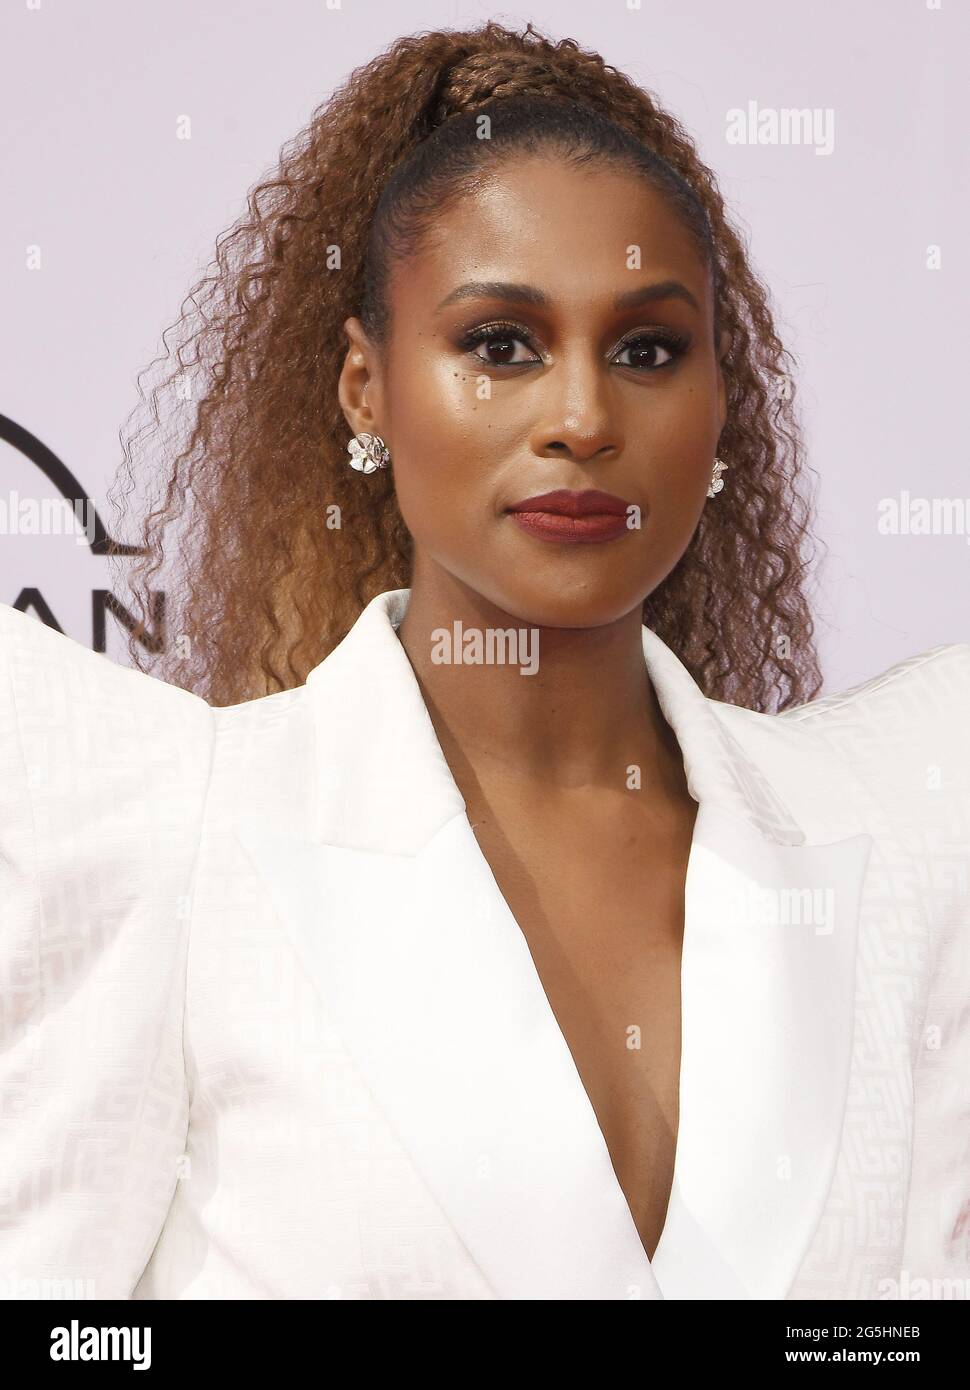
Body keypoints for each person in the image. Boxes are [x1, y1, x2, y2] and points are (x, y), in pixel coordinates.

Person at [1, 20, 967, 1302]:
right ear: (365, 387)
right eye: (500, 344)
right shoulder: (175, 846)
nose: (580, 416)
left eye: (646, 350)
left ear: (722, 402)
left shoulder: (901, 839)